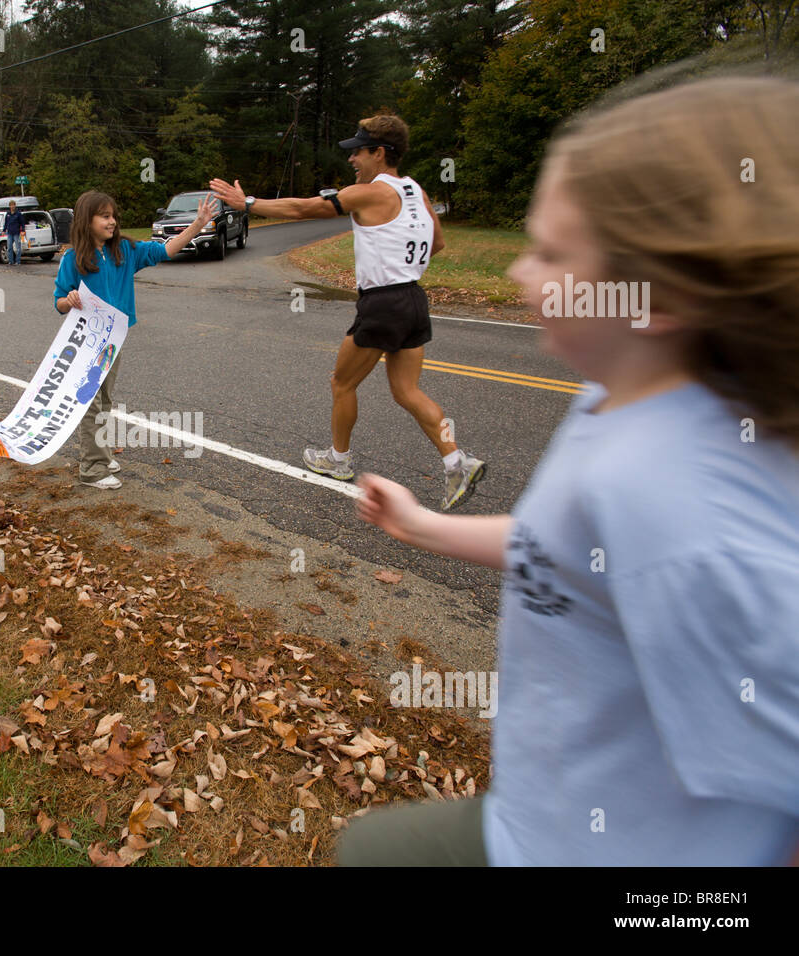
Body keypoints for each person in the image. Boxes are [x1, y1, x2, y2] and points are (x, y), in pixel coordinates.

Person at [337, 75, 799, 866]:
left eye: (551, 254)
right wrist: (426, 526)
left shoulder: (692, 517)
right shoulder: (615, 398)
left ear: (650, 298)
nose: (519, 272)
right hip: (534, 822)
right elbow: (574, 546)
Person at [209, 115, 485, 511]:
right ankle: (458, 462)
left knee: (341, 382)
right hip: (412, 299)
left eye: (359, 151)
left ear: (380, 153)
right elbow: (436, 242)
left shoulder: (369, 192)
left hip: (382, 303)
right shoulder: (416, 191)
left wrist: (248, 203)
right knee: (407, 391)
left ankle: (337, 460)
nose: (353, 158)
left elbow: (306, 207)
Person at [53, 189, 216, 488]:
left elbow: (165, 251)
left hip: (113, 342)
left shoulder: (124, 251)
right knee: (90, 404)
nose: (112, 221)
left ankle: (99, 454)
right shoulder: (73, 258)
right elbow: (59, 300)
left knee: (104, 402)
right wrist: (70, 298)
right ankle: (92, 468)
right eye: (105, 216)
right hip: (86, 344)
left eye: (113, 215)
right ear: (87, 221)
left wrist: (198, 225)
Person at [4, 200, 24, 266]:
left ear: (15, 206)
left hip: (16, 232)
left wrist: (22, 230)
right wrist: (4, 230)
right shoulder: (8, 214)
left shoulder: (18, 214)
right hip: (9, 232)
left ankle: (18, 261)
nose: (12, 206)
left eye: (13, 205)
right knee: (9, 247)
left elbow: (22, 223)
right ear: (9, 206)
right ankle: (11, 261)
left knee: (18, 248)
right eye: (11, 205)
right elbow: (6, 223)